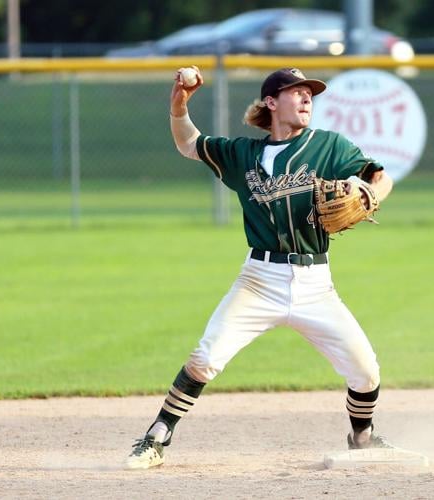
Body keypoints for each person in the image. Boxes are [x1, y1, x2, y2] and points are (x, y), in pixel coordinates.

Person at [125, 67, 396, 469]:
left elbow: (378, 175)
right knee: (206, 357)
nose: (307, 99)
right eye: (296, 92)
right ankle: (156, 436)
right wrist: (179, 103)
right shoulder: (243, 155)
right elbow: (189, 144)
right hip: (259, 280)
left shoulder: (328, 147)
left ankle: (363, 438)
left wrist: (372, 193)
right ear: (271, 102)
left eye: (310, 94)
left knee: (366, 371)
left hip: (316, 283)